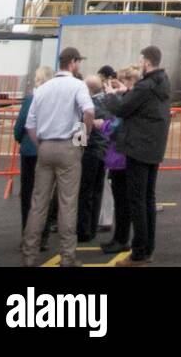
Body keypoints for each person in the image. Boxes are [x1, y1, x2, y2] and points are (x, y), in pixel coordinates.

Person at [22, 46, 95, 267]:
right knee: (67, 203)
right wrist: (81, 139)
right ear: (73, 62)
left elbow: (30, 124)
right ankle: (67, 256)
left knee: (38, 203)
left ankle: (29, 255)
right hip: (68, 147)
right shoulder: (77, 85)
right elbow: (88, 111)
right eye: (78, 62)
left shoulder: (43, 89)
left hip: (45, 146)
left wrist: (40, 144)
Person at [103, 46, 172, 266]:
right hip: (153, 148)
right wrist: (127, 92)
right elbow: (140, 104)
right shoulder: (162, 83)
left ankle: (139, 252)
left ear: (147, 62)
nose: (140, 63)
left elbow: (122, 110)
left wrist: (111, 95)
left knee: (137, 201)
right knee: (148, 199)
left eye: (141, 60)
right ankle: (147, 247)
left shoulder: (144, 86)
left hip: (138, 148)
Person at [100, 66, 140, 255]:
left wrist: (103, 126)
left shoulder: (121, 103)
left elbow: (113, 126)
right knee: (116, 197)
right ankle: (118, 235)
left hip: (116, 155)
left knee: (120, 199)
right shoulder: (126, 101)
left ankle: (120, 237)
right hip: (115, 154)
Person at [13, 66, 54, 243]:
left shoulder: (31, 99)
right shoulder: (55, 99)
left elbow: (21, 124)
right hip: (50, 147)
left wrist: (20, 139)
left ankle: (28, 234)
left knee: (28, 194)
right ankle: (43, 234)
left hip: (30, 150)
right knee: (46, 193)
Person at [77, 75, 109, 242]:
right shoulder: (106, 102)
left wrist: (78, 146)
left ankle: (83, 229)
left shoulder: (88, 105)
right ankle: (92, 227)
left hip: (90, 150)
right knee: (97, 190)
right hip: (103, 149)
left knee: (85, 191)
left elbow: (81, 128)